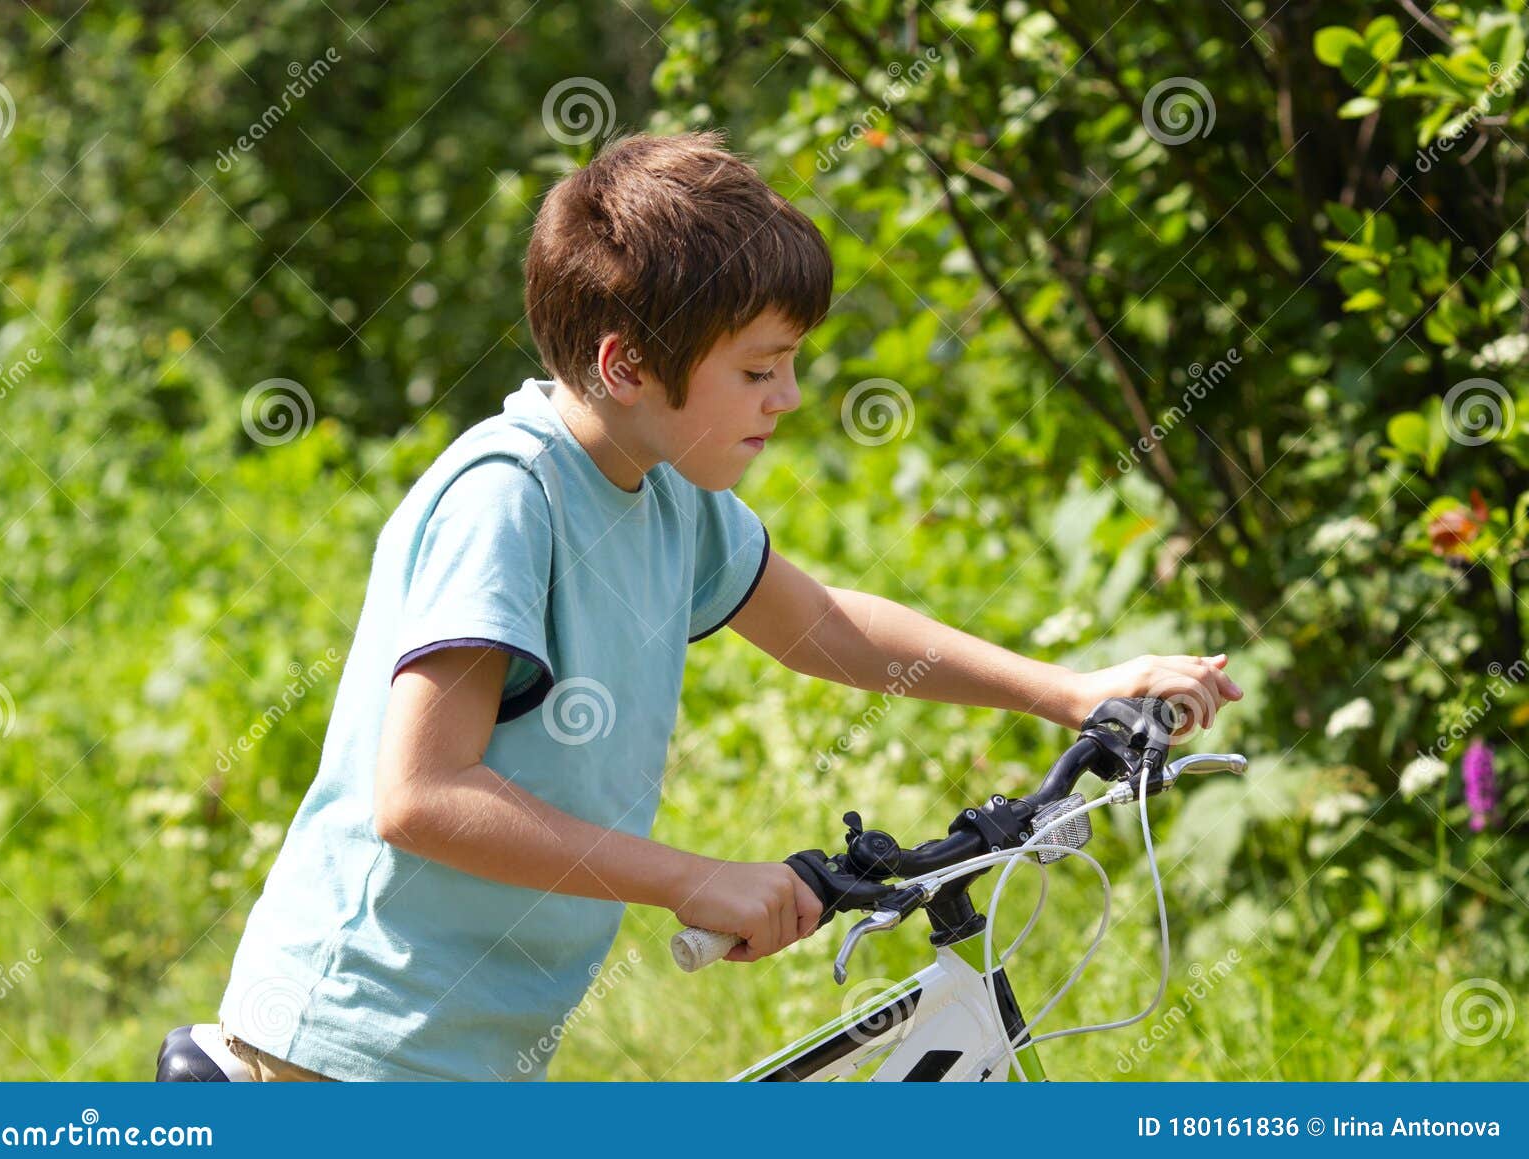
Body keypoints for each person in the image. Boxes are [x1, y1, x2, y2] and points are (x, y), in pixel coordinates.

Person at [217, 130, 1243, 1081]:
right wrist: (689, 877)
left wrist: (1069, 691)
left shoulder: (671, 496)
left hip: (472, 1043)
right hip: (346, 1041)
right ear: (625, 365)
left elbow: (824, 624)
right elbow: (421, 793)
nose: (787, 397)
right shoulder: (507, 497)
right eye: (758, 368)